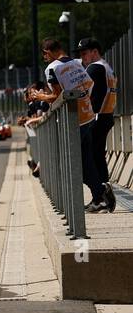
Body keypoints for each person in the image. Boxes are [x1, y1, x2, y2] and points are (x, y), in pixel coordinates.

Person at [29, 38, 101, 212]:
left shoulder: (52, 68)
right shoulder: (77, 63)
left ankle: (97, 194)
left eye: (44, 55)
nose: (45, 58)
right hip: (88, 115)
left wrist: (40, 97)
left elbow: (57, 96)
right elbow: (89, 84)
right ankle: (99, 196)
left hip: (72, 121)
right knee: (86, 161)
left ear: (47, 52)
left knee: (71, 163)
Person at [79, 37, 118, 211]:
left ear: (95, 51)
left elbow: (94, 95)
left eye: (85, 52)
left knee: (87, 159)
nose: (82, 57)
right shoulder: (107, 67)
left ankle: (101, 194)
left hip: (97, 117)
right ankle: (101, 195)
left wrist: (89, 115)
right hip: (107, 115)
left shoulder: (95, 68)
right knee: (97, 156)